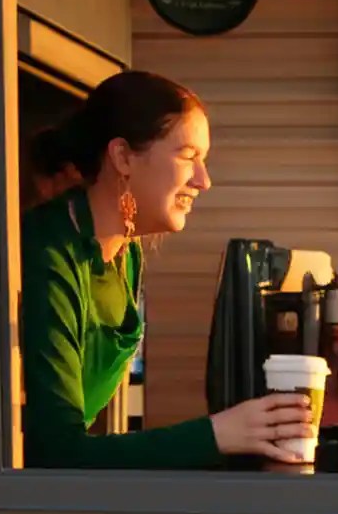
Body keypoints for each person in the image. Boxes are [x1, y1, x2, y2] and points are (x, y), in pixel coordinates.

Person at [21, 70, 314, 469]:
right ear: (123, 157)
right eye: (188, 156)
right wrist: (218, 434)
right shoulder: (51, 253)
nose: (204, 181)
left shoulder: (128, 252)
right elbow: (56, 451)